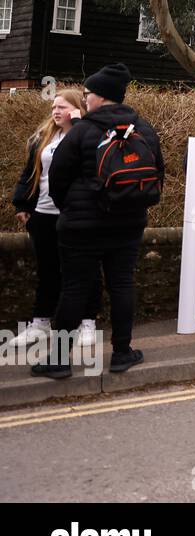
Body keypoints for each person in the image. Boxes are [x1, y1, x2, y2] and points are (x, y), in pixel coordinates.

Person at [37, 63, 161, 378]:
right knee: (121, 285)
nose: (85, 98)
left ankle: (60, 360)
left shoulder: (83, 130)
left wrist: (71, 210)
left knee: (74, 287)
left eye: (87, 94)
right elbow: (156, 175)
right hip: (128, 224)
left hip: (81, 226)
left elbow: (58, 178)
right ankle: (121, 353)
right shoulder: (143, 129)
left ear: (101, 97)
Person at [9, 89, 92, 349]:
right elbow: (30, 172)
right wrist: (22, 203)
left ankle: (86, 322)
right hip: (43, 214)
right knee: (46, 270)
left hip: (73, 215)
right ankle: (41, 322)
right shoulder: (43, 137)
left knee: (79, 272)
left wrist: (79, 124)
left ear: (77, 109)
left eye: (62, 107)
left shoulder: (86, 135)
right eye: (54, 107)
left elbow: (91, 168)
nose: (56, 111)